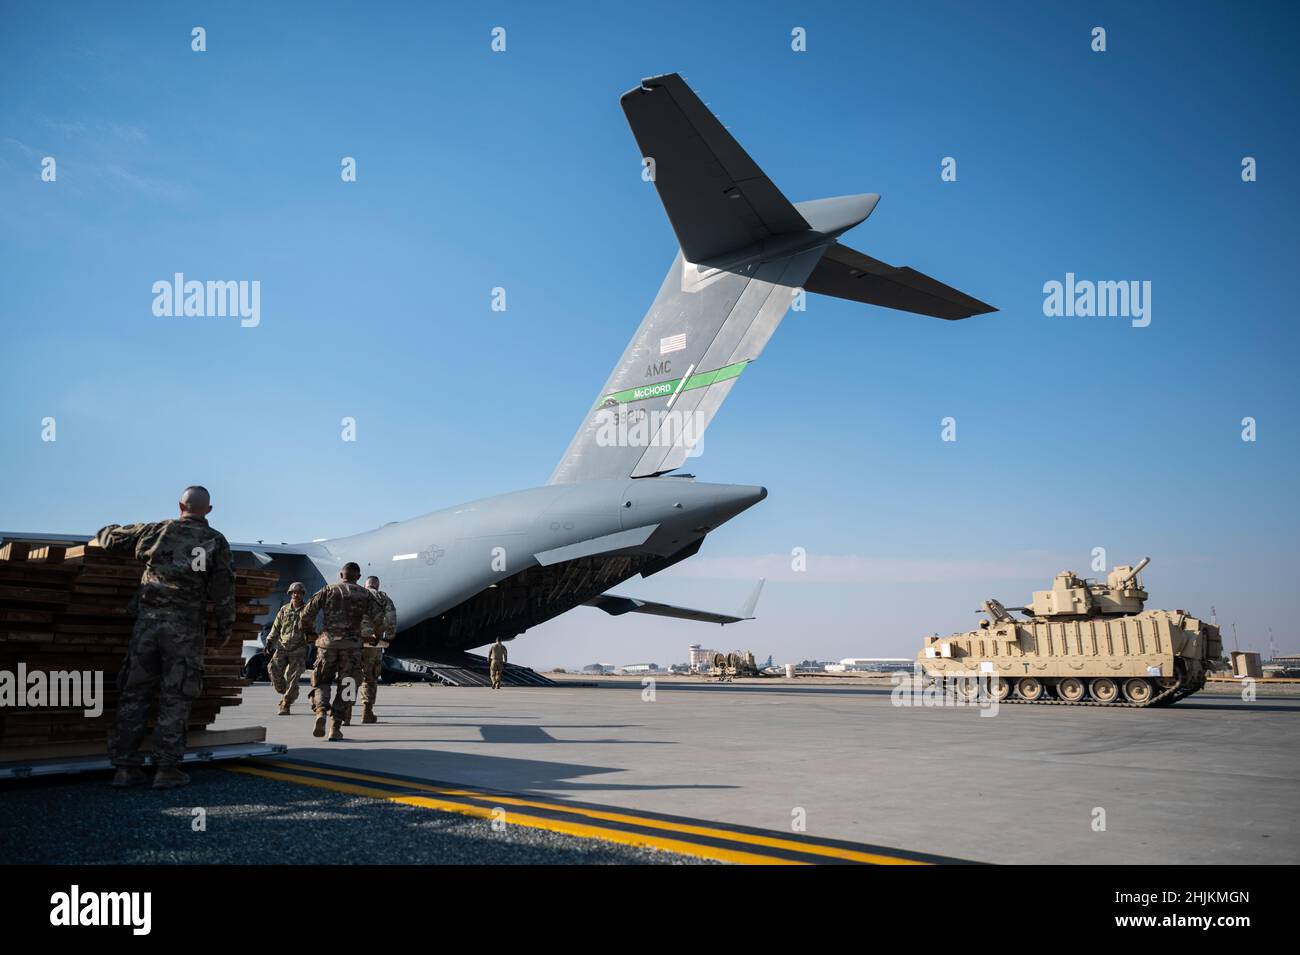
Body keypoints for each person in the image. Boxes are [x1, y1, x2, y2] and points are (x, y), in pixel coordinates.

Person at [97, 485, 235, 790]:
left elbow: (109, 537)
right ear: (208, 510)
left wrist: (106, 529)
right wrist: (225, 627)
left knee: (134, 694)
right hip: (184, 631)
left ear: (179, 505)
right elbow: (223, 589)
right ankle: (166, 769)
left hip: (147, 627)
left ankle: (124, 768)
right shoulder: (214, 541)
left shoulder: (156, 530)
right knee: (176, 697)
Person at [299, 562, 385, 741]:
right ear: (358, 577)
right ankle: (335, 727)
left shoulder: (327, 590)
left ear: (341, 575)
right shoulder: (365, 594)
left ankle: (321, 712)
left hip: (327, 645)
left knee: (322, 682)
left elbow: (306, 615)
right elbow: (379, 618)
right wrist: (377, 636)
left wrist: (309, 633)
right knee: (347, 685)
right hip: (352, 648)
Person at [349, 575, 397, 724]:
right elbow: (391, 617)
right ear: (377, 586)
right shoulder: (382, 597)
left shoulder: (354, 595)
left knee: (349, 676)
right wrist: (388, 637)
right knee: (370, 678)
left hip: (353, 642)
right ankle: (366, 712)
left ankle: (345, 712)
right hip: (373, 643)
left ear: (365, 584)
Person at [266, 582, 310, 715]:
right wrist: (269, 641)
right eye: (294, 592)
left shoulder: (307, 610)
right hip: (282, 646)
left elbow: (313, 628)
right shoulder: (284, 610)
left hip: (298, 649)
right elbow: (276, 626)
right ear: (290, 594)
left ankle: (286, 704)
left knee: (292, 678)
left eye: (299, 593)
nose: (296, 595)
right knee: (272, 669)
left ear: (303, 595)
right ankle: (287, 691)